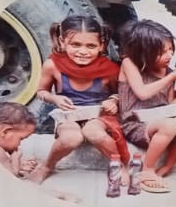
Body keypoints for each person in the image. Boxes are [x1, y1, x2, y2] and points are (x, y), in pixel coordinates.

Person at [28, 14, 130, 195]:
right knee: (70, 138)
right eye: (76, 45)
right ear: (62, 41)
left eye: (91, 46)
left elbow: (122, 94)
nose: (83, 51)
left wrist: (113, 101)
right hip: (68, 114)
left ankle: (119, 165)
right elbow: (41, 92)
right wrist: (55, 99)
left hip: (98, 114)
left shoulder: (110, 69)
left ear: (102, 45)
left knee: (93, 132)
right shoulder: (52, 66)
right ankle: (46, 167)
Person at [117, 20, 176, 193]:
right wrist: (173, 78)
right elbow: (142, 93)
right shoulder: (129, 64)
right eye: (162, 52)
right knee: (170, 124)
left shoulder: (168, 72)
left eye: (171, 50)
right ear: (143, 53)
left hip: (159, 122)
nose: (169, 55)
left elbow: (170, 106)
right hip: (135, 124)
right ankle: (147, 170)